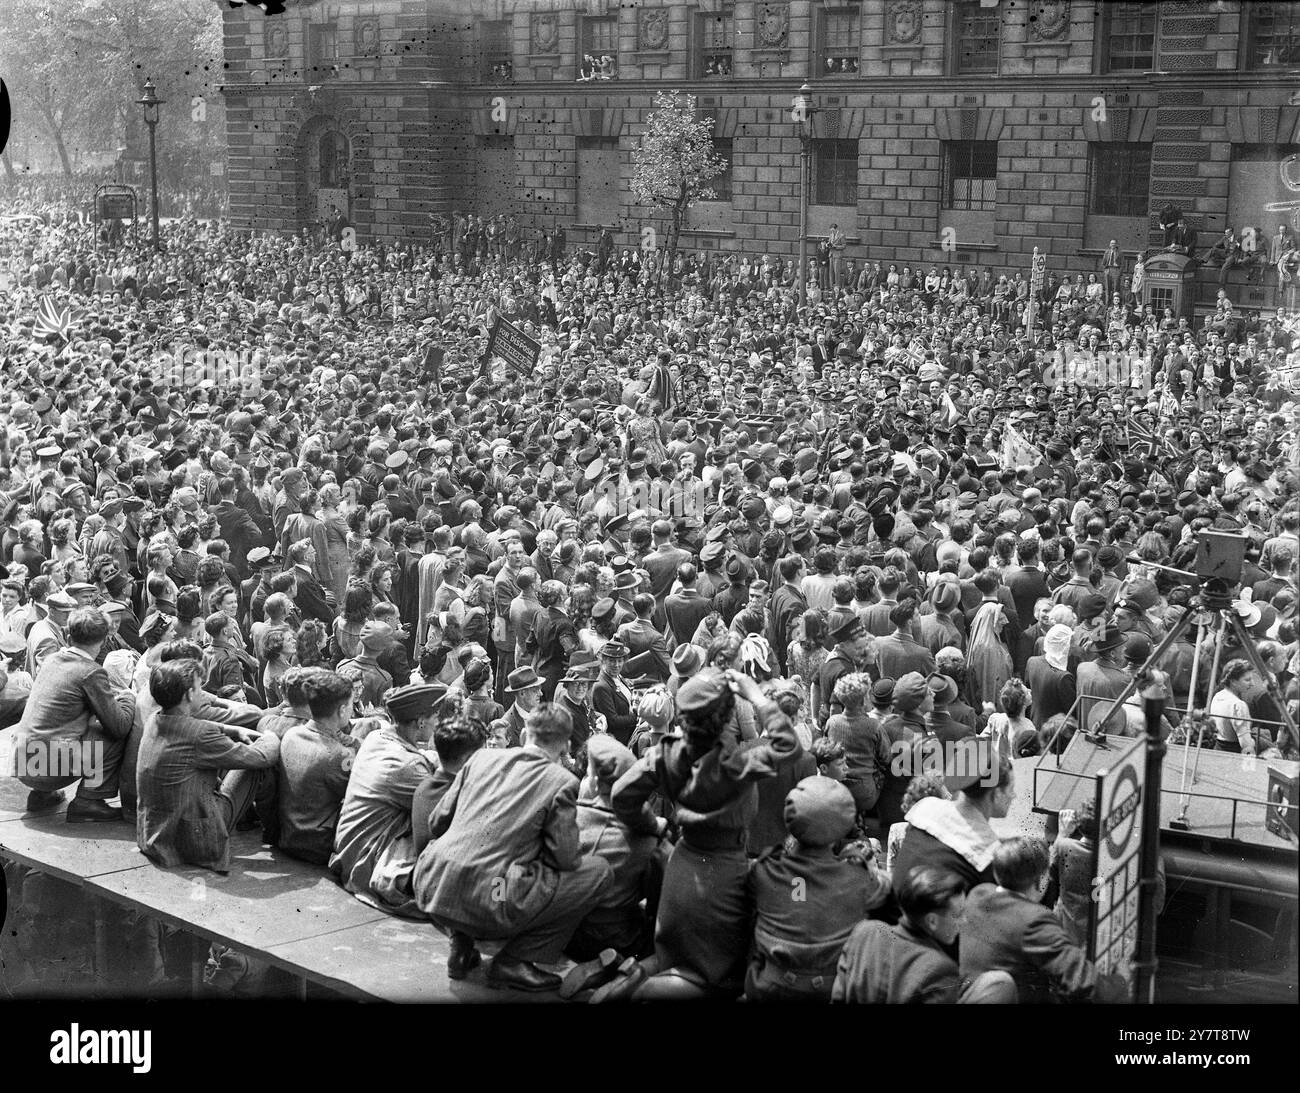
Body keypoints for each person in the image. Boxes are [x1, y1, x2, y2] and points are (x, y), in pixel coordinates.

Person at [598, 668, 802, 1001]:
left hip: (680, 865)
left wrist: (652, 826)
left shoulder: (666, 753)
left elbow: (622, 795)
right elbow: (788, 745)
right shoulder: (738, 762)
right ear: (727, 717)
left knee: (673, 953)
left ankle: (624, 974)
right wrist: (756, 695)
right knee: (712, 975)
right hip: (724, 873)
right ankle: (640, 989)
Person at [414, 703, 614, 992]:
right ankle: (515, 961)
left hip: (431, 884)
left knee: (482, 865)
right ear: (566, 745)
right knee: (597, 871)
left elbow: (437, 823)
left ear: (523, 737)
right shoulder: (562, 781)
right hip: (492, 895)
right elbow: (565, 857)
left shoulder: (479, 758)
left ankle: (461, 945)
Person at [745, 776, 890, 1003]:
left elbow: (798, 892)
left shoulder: (765, 871)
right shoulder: (858, 878)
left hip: (769, 988)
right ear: (843, 824)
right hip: (832, 990)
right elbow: (884, 889)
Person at [136, 659, 280, 873]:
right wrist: (271, 735)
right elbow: (260, 757)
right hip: (196, 838)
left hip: (157, 835)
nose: (202, 691)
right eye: (199, 687)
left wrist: (230, 730)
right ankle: (275, 832)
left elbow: (192, 726)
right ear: (188, 695)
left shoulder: (154, 720)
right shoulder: (200, 735)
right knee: (259, 767)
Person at [961, 835, 1126, 1004]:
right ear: (1041, 880)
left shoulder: (978, 894)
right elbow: (1081, 982)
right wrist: (1122, 981)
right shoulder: (1034, 922)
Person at [12, 607, 136, 821]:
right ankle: (89, 800)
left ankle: (42, 795)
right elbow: (119, 726)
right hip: (46, 766)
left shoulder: (52, 660)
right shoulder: (91, 671)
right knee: (108, 732)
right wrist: (128, 697)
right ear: (105, 640)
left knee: (60, 727)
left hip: (22, 762)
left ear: (69, 636)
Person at [329, 682, 439, 918]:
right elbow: (447, 811)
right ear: (420, 722)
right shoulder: (406, 767)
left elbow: (416, 760)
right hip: (370, 864)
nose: (438, 723)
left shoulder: (377, 737)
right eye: (435, 718)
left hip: (352, 851)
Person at [832, 866, 1010, 1003]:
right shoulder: (939, 969)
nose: (964, 921)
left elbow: (838, 997)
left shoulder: (865, 931)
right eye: (958, 914)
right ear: (932, 921)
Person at [276, 670, 359, 866]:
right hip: (319, 846)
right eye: (351, 705)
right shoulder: (339, 755)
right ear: (341, 710)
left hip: (289, 837)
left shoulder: (292, 734)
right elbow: (358, 793)